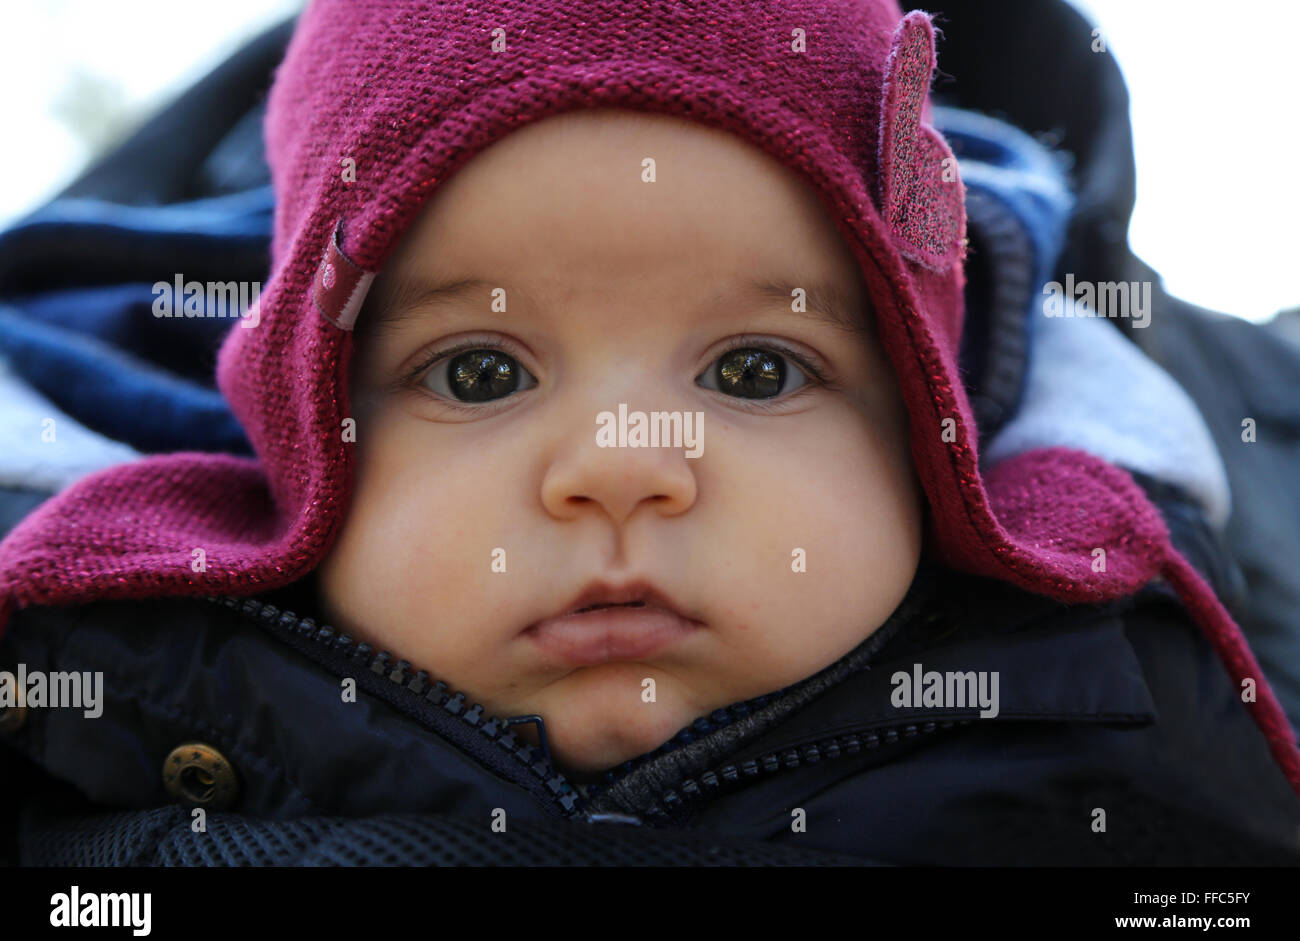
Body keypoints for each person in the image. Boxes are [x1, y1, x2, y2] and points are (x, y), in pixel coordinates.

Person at [1, 0, 1298, 865]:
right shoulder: (75, 735)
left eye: (753, 367)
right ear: (295, 443)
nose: (620, 461)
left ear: (934, 438)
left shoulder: (1147, 752)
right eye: (476, 374)